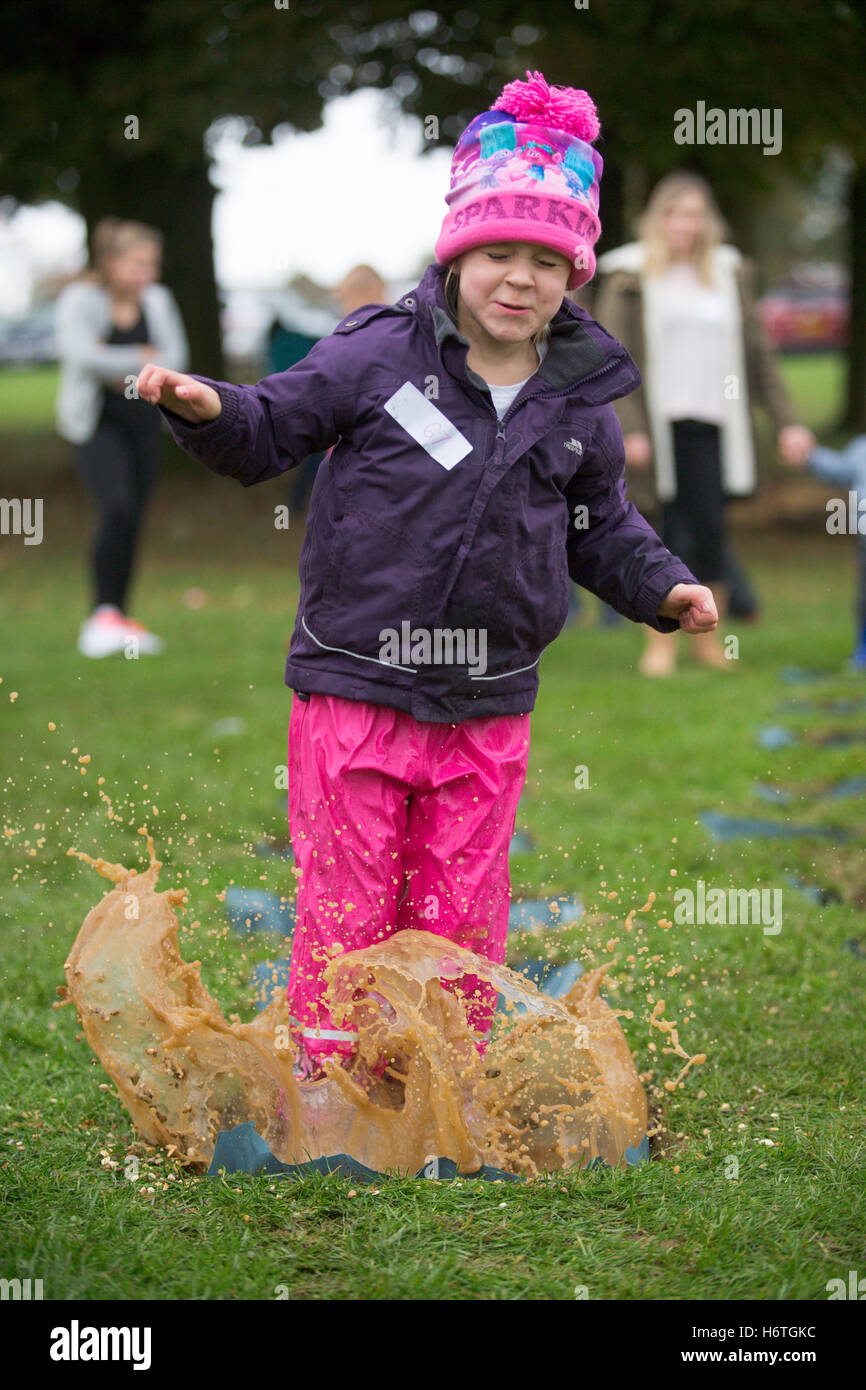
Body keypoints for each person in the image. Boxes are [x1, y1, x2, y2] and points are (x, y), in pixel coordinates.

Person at [136, 71, 716, 1086]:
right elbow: (269, 427)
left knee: (459, 902)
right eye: (498, 252)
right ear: (456, 251)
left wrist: (659, 585)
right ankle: (327, 1087)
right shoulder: (374, 353)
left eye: (547, 260)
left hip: (487, 700)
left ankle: (443, 1086)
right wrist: (203, 406)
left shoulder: (576, 402)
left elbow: (601, 527)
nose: (520, 279)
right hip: (354, 683)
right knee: (348, 899)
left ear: (572, 274)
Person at [594, 172, 815, 675]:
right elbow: (611, 355)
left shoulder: (728, 273)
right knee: (664, 535)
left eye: (693, 214)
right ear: (658, 220)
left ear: (706, 221)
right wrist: (630, 426)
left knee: (711, 532)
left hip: (716, 423)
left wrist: (788, 423)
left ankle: (708, 639)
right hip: (657, 426)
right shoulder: (631, 274)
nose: (684, 225)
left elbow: (759, 354)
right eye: (674, 214)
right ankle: (661, 642)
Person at [55, 218, 188, 657]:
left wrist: (118, 363)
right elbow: (81, 357)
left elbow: (176, 357)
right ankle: (101, 614)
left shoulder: (158, 300)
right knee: (116, 505)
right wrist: (141, 357)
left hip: (144, 423)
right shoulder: (81, 299)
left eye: (153, 264)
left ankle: (119, 618)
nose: (146, 274)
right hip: (96, 424)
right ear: (112, 262)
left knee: (133, 518)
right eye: (138, 263)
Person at [785, 434, 866, 670]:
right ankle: (863, 649)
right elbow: (840, 471)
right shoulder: (861, 448)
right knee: (864, 601)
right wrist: (811, 455)